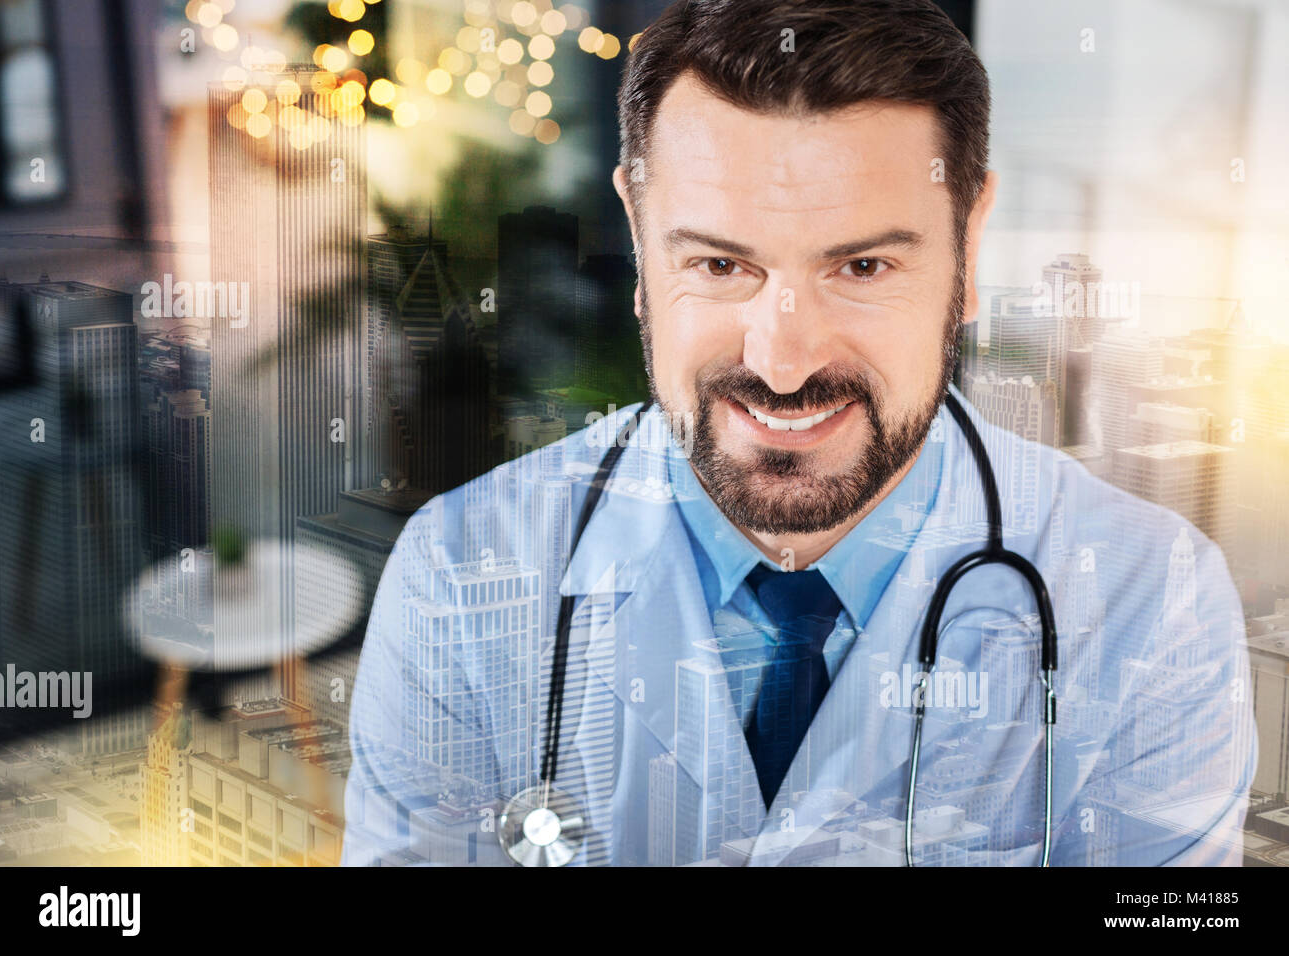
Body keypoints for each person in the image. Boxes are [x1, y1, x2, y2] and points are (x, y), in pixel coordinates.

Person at [341, 0, 1255, 866]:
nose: (782, 361)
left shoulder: (1151, 601)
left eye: (862, 265)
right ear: (637, 234)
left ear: (969, 247)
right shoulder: (459, 572)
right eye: (718, 263)